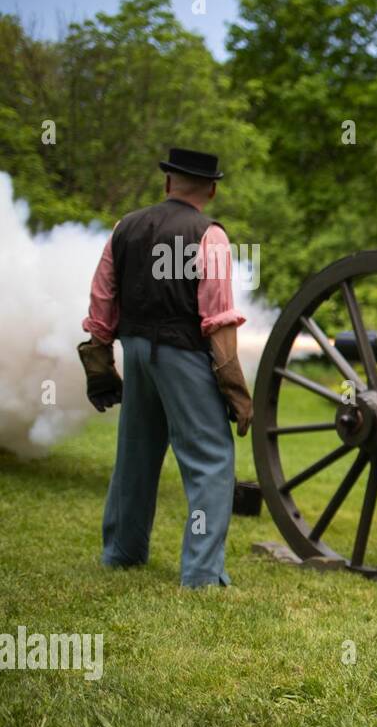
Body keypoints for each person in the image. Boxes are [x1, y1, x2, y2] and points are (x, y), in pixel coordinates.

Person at [77, 147, 252, 588]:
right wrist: (233, 386)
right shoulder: (209, 235)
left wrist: (100, 356)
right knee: (210, 459)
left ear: (167, 183)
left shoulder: (125, 227)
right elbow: (217, 318)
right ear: (211, 190)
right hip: (183, 354)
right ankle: (201, 574)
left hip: (135, 349)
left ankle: (122, 552)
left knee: (135, 454)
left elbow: (102, 300)